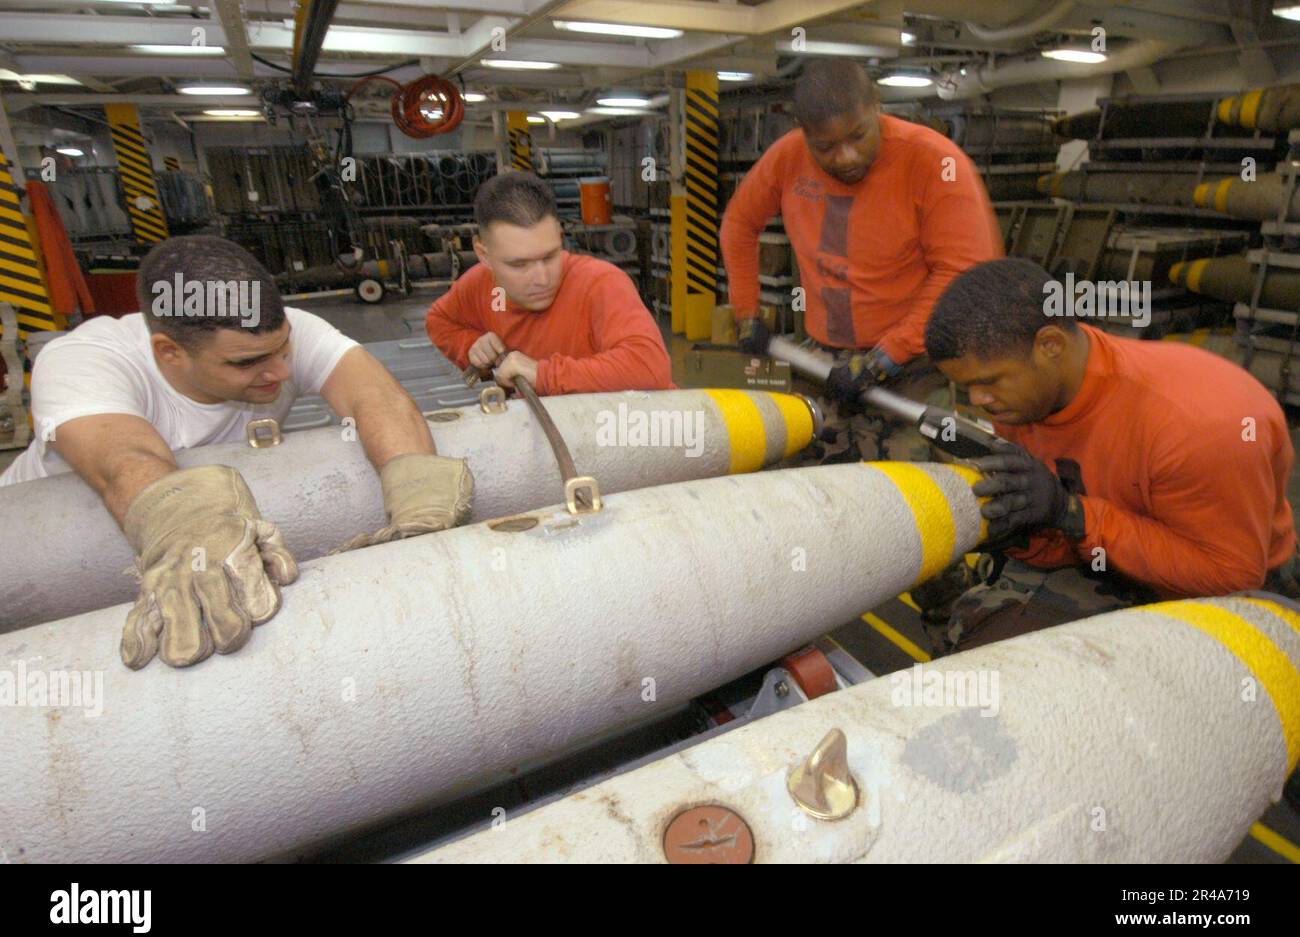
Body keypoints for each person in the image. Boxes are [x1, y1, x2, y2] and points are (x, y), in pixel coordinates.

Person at [2, 236, 473, 669]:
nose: (280, 372)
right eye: (247, 363)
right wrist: (192, 527)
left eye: (283, 349)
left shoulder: (281, 335)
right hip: (30, 560)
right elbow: (124, 461)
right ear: (169, 352)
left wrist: (419, 491)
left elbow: (377, 399)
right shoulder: (85, 360)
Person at [924, 257, 1298, 652]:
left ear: (1050, 345)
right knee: (982, 641)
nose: (978, 401)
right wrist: (1015, 530)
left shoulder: (1198, 425)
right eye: (966, 388)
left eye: (988, 382)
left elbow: (1232, 578)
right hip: (1103, 553)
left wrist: (1072, 514)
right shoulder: (1022, 397)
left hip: (1217, 580)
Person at [720, 59, 1002, 462]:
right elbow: (739, 223)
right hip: (822, 362)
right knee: (813, 480)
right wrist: (747, 312)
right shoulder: (787, 158)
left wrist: (886, 356)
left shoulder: (934, 163)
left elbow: (963, 271)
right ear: (804, 133)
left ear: (877, 106)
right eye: (826, 147)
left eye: (858, 136)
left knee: (907, 489)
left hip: (913, 367)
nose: (846, 157)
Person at [426, 170, 674, 394]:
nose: (542, 279)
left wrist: (542, 374)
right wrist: (471, 345)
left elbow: (649, 367)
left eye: (549, 256)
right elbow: (439, 322)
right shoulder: (490, 291)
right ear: (484, 255)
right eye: (518, 265)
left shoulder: (599, 284)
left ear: (559, 236)